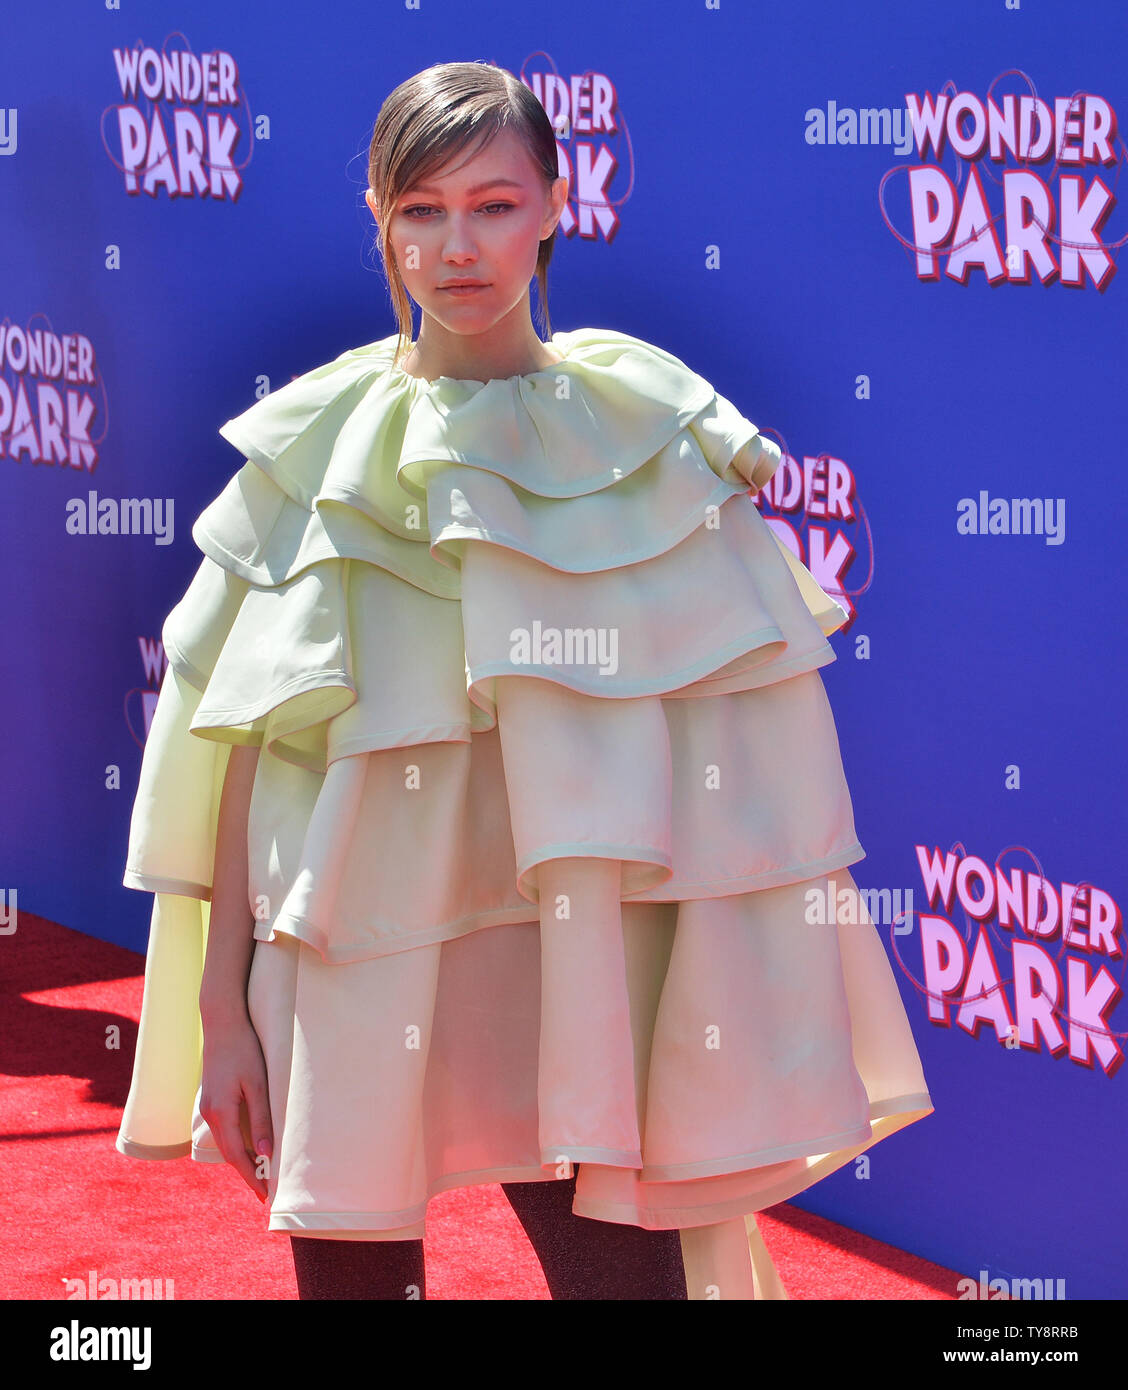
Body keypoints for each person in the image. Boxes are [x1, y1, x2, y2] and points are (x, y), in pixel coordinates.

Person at [114, 60, 934, 1301]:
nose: (458, 247)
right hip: (351, 962)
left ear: (557, 203)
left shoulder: (643, 438)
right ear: (381, 222)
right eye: (422, 209)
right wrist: (219, 1013)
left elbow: (734, 785)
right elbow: (249, 751)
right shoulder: (318, 448)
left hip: (576, 976)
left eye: (495, 206)